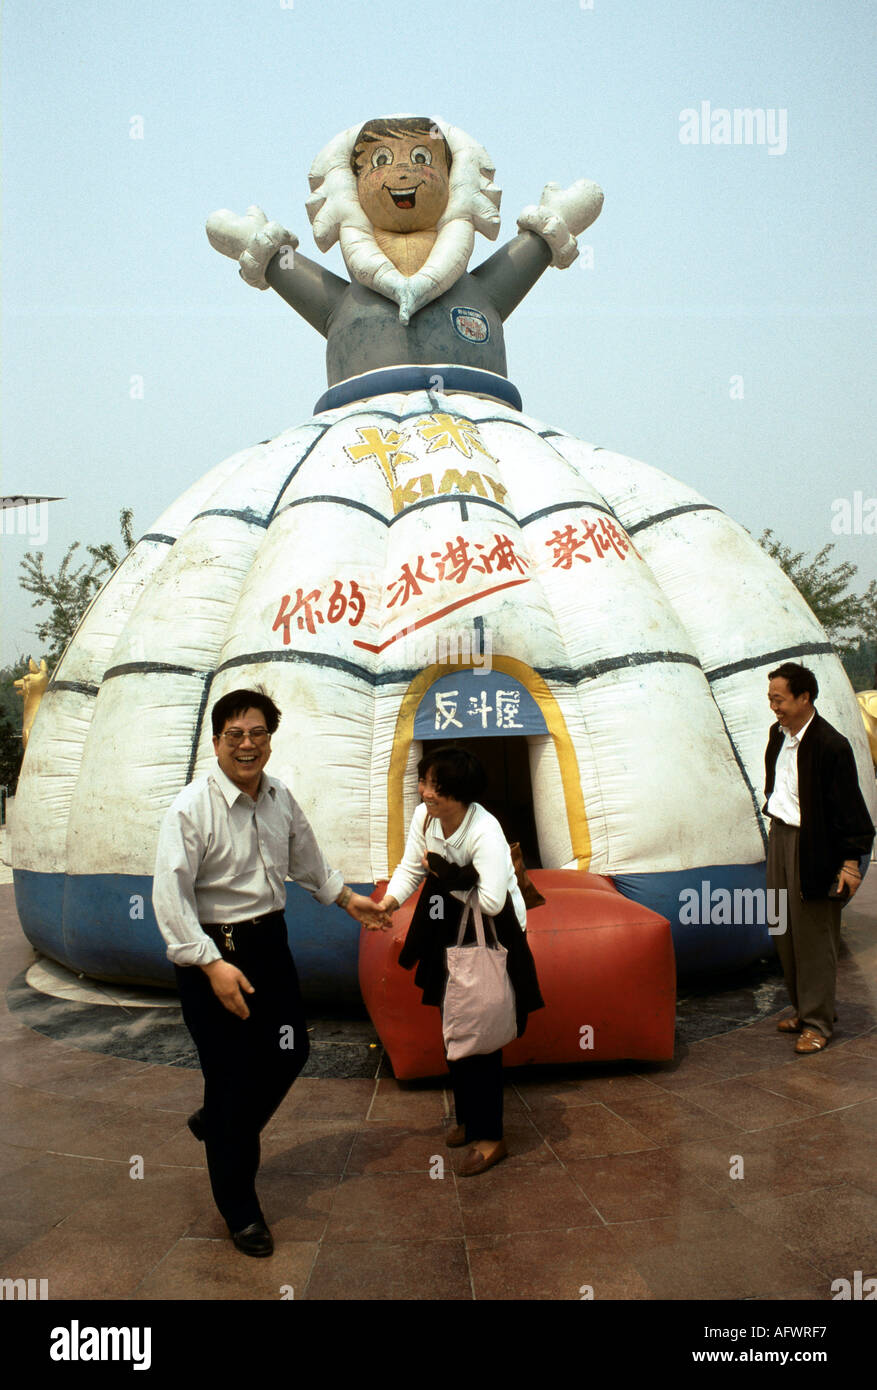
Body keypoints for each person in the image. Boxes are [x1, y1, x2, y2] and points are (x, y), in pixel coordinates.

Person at [152, 687, 388, 1256]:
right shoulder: (191, 808)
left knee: (289, 1052)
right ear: (216, 743)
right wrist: (211, 964)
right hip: (215, 953)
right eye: (234, 735)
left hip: (268, 946)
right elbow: (169, 897)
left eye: (257, 733)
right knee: (231, 1081)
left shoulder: (279, 797)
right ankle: (241, 1210)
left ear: (270, 740)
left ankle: (219, 1124)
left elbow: (306, 856)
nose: (247, 745)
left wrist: (346, 899)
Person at [375, 746, 543, 1175]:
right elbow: (413, 867)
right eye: (424, 781)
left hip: (494, 927)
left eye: (437, 787)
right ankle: (468, 1119)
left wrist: (453, 877)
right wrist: (389, 903)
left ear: (460, 795)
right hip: (446, 918)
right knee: (454, 1017)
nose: (426, 793)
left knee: (481, 1031)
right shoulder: (425, 817)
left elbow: (490, 900)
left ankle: (492, 1137)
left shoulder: (484, 832)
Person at [764, 663, 874, 1054]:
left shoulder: (831, 745)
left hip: (813, 849)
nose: (773, 706)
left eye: (779, 699)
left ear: (804, 697)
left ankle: (818, 1023)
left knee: (813, 937)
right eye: (771, 699)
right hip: (781, 838)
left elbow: (851, 812)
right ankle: (804, 1006)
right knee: (782, 928)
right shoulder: (777, 738)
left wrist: (849, 864)